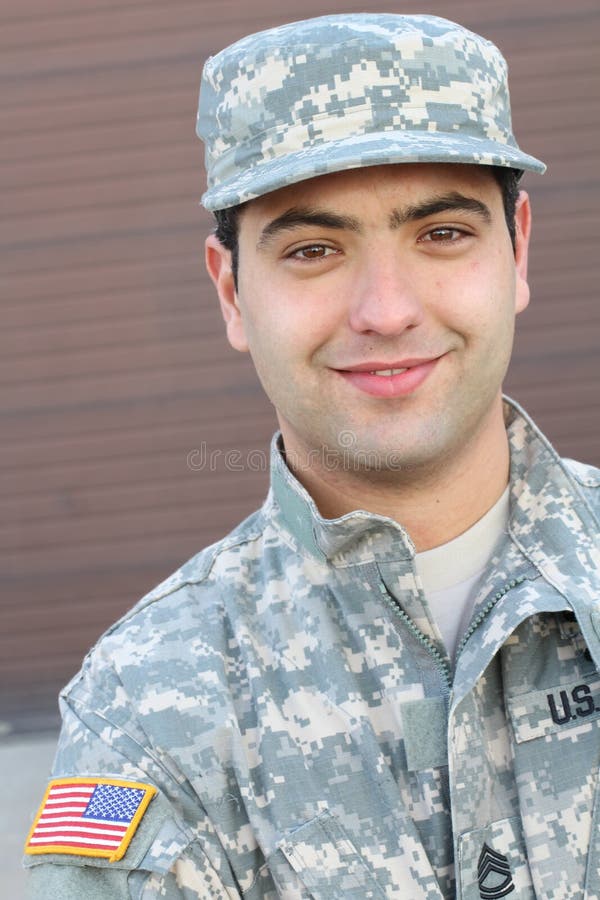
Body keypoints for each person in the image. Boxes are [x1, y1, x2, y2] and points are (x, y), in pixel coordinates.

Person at [24, 13, 599, 899]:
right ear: (231, 291)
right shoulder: (144, 712)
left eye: (442, 234)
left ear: (517, 248)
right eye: (313, 250)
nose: (386, 310)